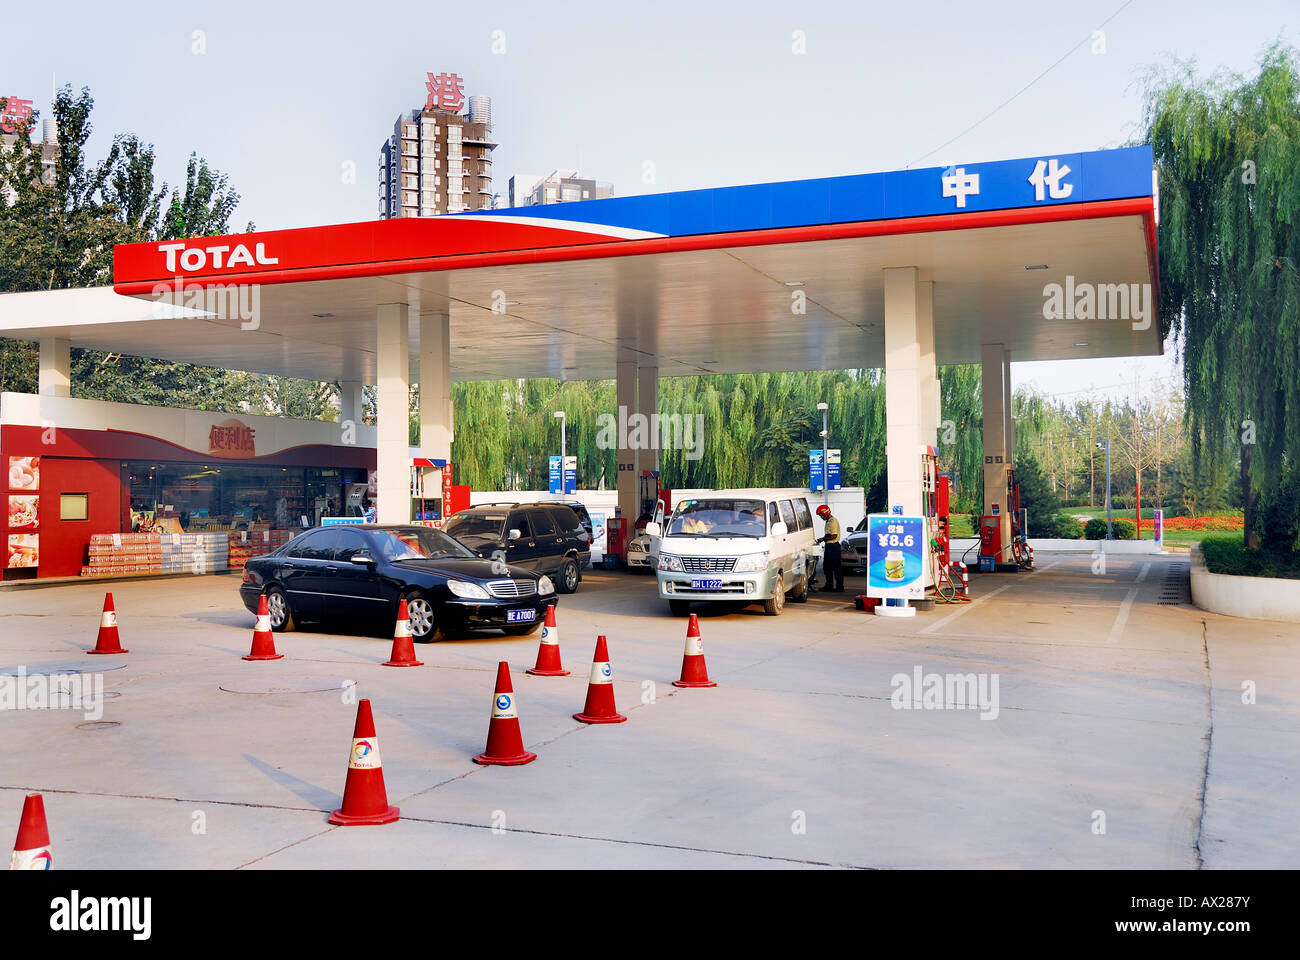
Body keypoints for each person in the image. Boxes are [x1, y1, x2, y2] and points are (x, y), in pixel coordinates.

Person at [815, 504, 844, 592]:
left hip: (833, 547)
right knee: (827, 567)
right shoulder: (828, 521)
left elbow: (834, 536)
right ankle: (829, 586)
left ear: (825, 513)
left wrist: (823, 539)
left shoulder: (833, 521)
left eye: (821, 515)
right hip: (829, 546)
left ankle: (839, 587)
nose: (821, 517)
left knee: (836, 568)